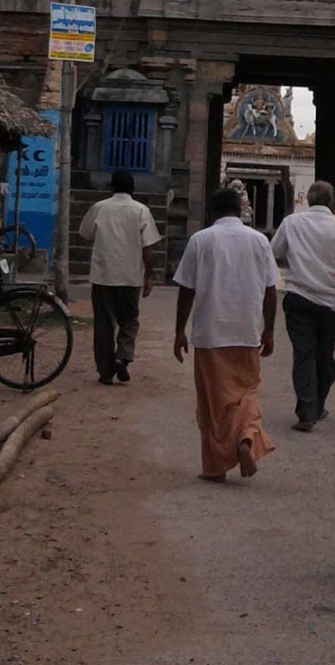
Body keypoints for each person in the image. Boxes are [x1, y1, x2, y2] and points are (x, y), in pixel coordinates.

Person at [173, 186, 278, 482]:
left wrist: (179, 330)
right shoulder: (259, 241)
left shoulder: (201, 240)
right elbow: (271, 290)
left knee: (213, 402)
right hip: (247, 332)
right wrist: (269, 330)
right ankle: (247, 437)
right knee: (246, 392)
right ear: (240, 210)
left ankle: (216, 466)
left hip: (211, 333)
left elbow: (186, 290)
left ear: (212, 211)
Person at [271, 180, 335, 432]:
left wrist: (295, 262)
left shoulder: (291, 222)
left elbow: (273, 253)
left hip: (298, 296)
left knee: (303, 354)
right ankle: (316, 406)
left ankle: (307, 411)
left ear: (308, 200)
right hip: (332, 302)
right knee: (325, 356)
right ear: (331, 201)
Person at [78, 169, 160, 385]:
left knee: (104, 324)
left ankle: (105, 372)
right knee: (129, 320)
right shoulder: (141, 210)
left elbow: (85, 233)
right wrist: (149, 275)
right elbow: (148, 248)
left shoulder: (99, 208)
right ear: (133, 188)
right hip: (131, 276)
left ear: (112, 187)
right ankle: (122, 356)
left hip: (103, 275)